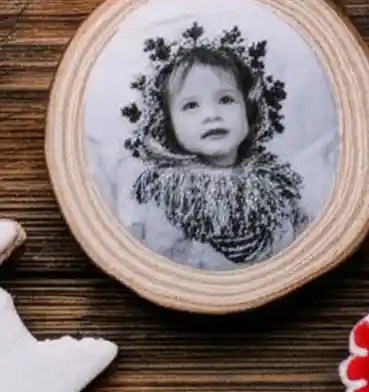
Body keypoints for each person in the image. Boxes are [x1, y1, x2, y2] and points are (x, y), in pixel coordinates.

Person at [116, 24, 308, 270]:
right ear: (167, 123)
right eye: (191, 106)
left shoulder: (278, 190)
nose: (212, 115)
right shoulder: (165, 198)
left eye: (226, 99)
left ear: (249, 109)